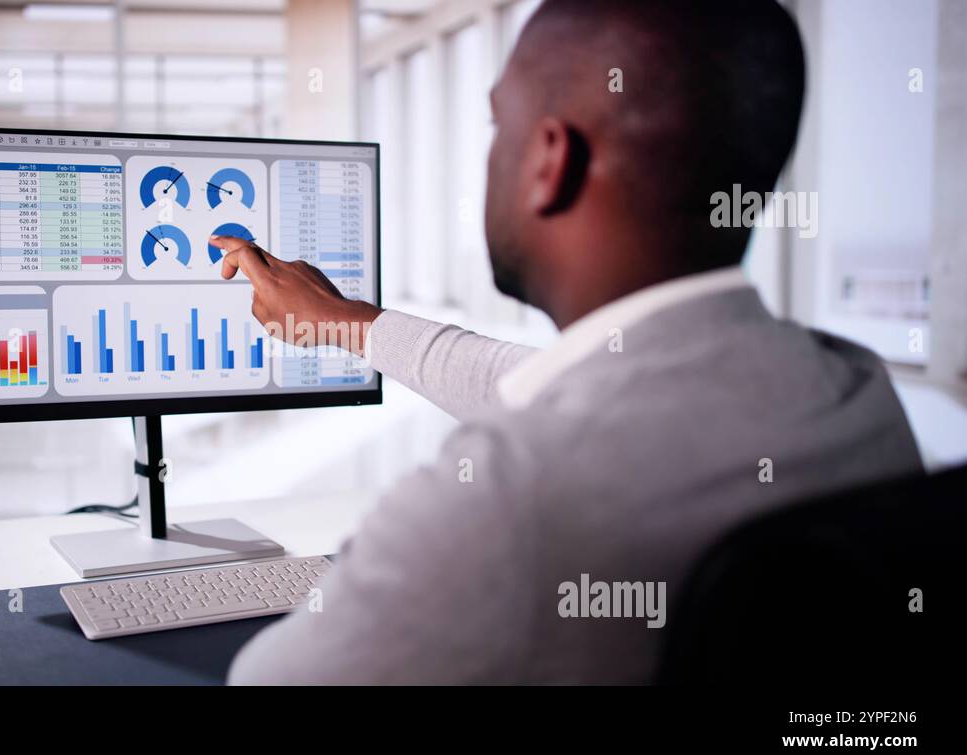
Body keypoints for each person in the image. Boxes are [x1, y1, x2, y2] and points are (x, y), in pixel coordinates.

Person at [221, 0, 923, 684]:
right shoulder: (858, 394)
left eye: (500, 123)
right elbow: (552, 387)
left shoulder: (506, 502)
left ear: (549, 159)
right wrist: (345, 321)